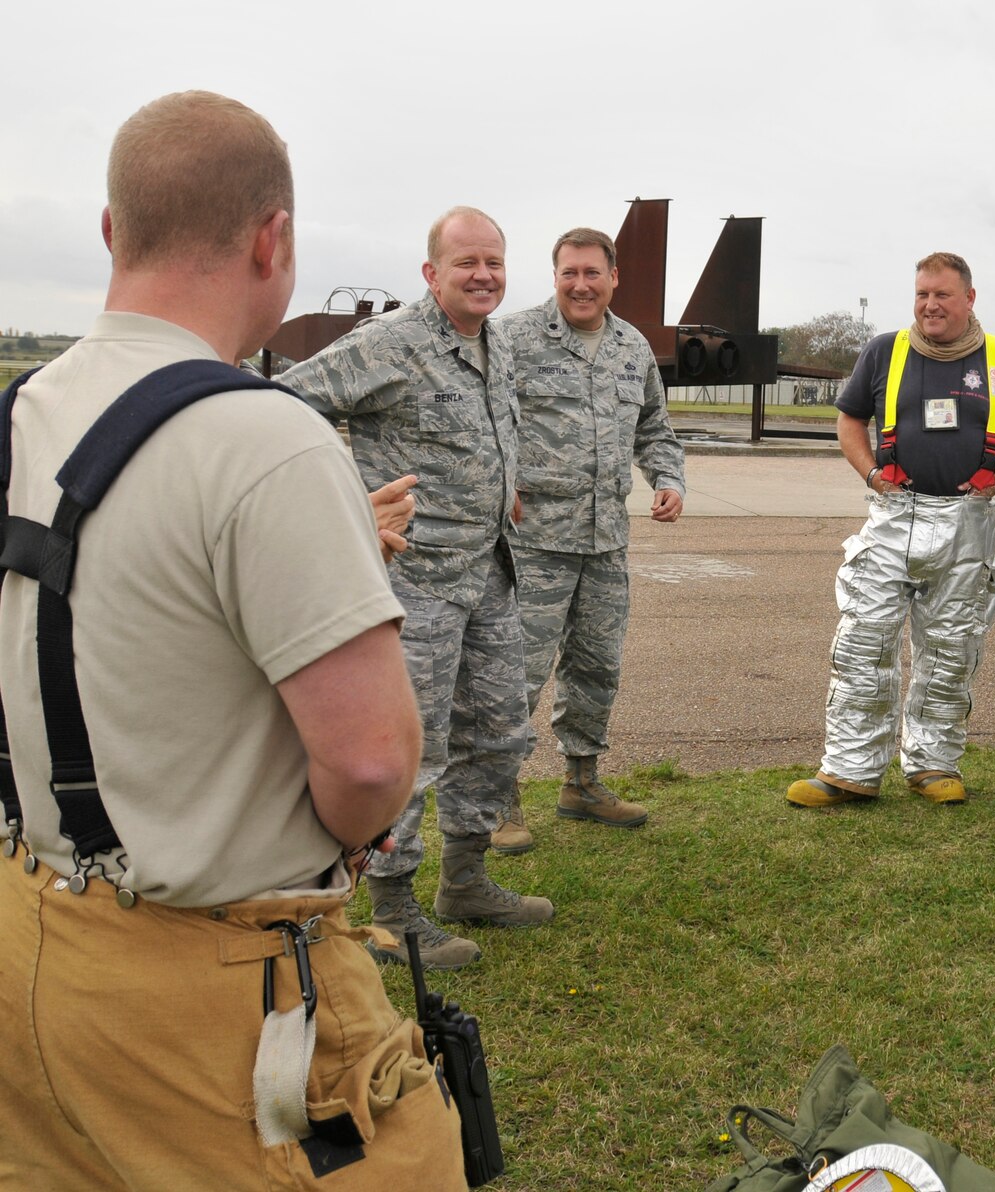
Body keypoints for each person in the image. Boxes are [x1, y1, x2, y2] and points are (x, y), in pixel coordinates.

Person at [0, 90, 464, 1187]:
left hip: (35, 936)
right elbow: (368, 761)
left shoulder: (27, 409)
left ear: (113, 232)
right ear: (275, 240)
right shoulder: (268, 439)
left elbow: (111, 611)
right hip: (220, 980)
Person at [283, 205, 550, 968]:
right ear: (431, 273)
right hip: (416, 589)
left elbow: (490, 433)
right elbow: (278, 410)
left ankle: (466, 881)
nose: (483, 275)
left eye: (494, 262)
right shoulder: (391, 343)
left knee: (500, 733)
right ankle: (391, 910)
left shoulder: (496, 344)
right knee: (410, 751)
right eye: (466, 262)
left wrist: (506, 487)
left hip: (491, 576)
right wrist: (347, 504)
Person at [785, 253, 995, 807]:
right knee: (863, 641)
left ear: (969, 298)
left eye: (942, 295)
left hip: (968, 524)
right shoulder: (885, 350)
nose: (930, 305)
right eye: (922, 294)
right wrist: (874, 475)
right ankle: (850, 770)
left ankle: (933, 765)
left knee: (951, 650)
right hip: (893, 516)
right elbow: (850, 419)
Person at [492, 227, 686, 850]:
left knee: (597, 668)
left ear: (613, 277)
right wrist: (500, 482)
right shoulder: (513, 339)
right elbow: (483, 417)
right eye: (569, 273)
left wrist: (669, 478)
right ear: (554, 276)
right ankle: (497, 799)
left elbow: (655, 426)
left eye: (592, 274)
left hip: (606, 543)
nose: (581, 285)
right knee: (515, 673)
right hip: (533, 543)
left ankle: (581, 782)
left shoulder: (631, 347)